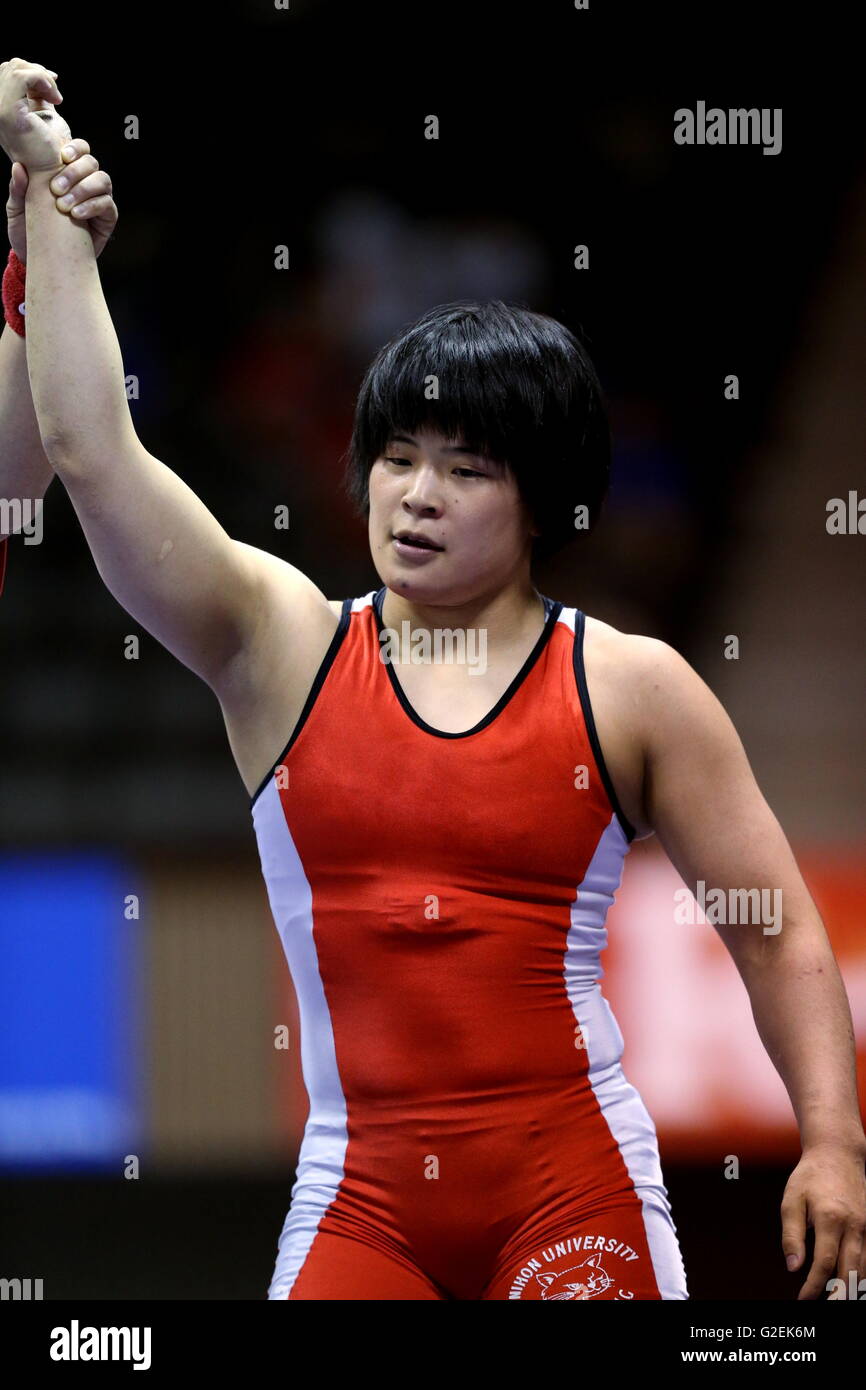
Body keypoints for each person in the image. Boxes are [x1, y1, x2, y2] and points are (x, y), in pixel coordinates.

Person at [1, 56, 864, 1302]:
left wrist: (830, 1140)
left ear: (542, 500)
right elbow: (90, 453)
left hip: (573, 1185)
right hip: (362, 1199)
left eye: (463, 468)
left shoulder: (631, 687)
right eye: (396, 457)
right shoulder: (276, 640)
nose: (414, 495)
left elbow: (775, 933)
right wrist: (52, 209)